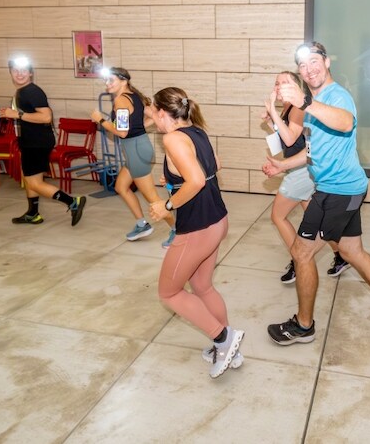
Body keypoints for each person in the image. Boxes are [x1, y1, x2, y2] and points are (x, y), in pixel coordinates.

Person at [263, 41, 370, 345]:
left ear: (327, 61)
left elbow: (345, 123)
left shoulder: (338, 96)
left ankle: (303, 326)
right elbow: (301, 142)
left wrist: (305, 103)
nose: (309, 70)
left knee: (301, 252)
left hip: (338, 190)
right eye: (303, 66)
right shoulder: (312, 99)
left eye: (314, 62)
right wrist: (275, 115)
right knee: (351, 251)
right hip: (342, 188)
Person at [145, 87, 244, 378]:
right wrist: (175, 178)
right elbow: (213, 166)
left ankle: (222, 339)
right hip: (217, 220)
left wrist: (167, 205)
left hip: (198, 227)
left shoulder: (172, 138)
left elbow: (197, 180)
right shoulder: (195, 131)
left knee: (169, 292)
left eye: (153, 112)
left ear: (163, 113)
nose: (153, 118)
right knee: (202, 286)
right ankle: (230, 348)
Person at [260, 71, 344, 284]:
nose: (279, 87)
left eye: (285, 83)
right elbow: (284, 137)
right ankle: (342, 255)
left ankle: (299, 261)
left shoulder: (298, 107)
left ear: (297, 86)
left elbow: (289, 140)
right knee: (320, 222)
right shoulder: (289, 107)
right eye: (277, 83)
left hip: (301, 171)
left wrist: (272, 110)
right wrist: (273, 120)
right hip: (302, 169)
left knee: (277, 216)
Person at [89, 67, 175, 246]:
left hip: (135, 150)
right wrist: (141, 127)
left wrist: (101, 120)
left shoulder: (121, 100)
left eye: (111, 80)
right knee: (121, 186)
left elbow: (122, 132)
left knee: (153, 198)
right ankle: (142, 224)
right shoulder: (135, 96)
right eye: (106, 81)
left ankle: (178, 231)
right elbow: (150, 119)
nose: (107, 84)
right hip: (137, 149)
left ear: (124, 81)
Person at [0, 56, 86, 227]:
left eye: (24, 70)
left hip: (36, 142)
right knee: (30, 178)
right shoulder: (22, 91)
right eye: (15, 70)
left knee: (34, 182)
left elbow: (46, 116)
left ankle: (72, 202)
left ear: (31, 73)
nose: (19, 74)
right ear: (10, 72)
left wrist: (16, 114)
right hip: (32, 141)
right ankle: (33, 213)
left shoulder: (31, 91)